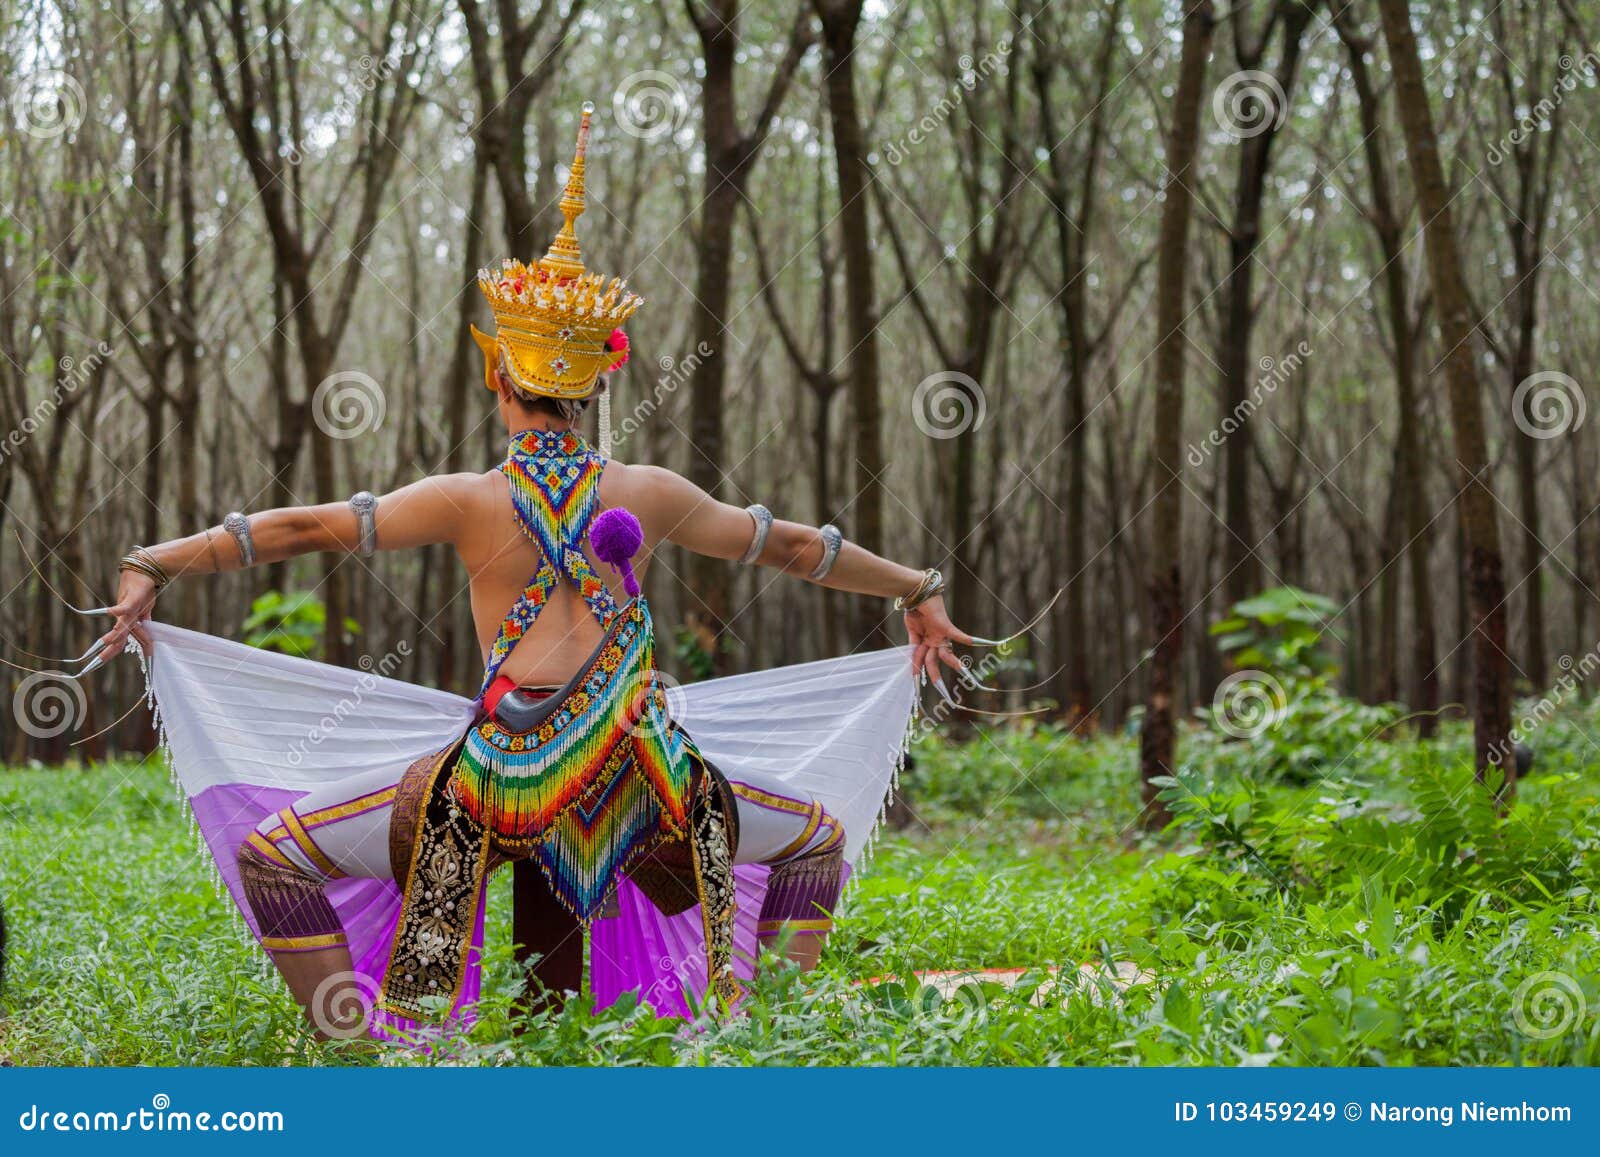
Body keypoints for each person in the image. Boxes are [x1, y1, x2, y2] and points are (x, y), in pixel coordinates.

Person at [91, 105, 969, 1038]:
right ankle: (761, 1037)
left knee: (275, 857)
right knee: (817, 841)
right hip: (641, 777)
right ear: (593, 385)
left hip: (499, 782)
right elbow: (792, 546)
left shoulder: (466, 499)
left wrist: (156, 560)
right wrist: (915, 586)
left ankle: (358, 1059)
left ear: (499, 378)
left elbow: (309, 526)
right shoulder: (650, 490)